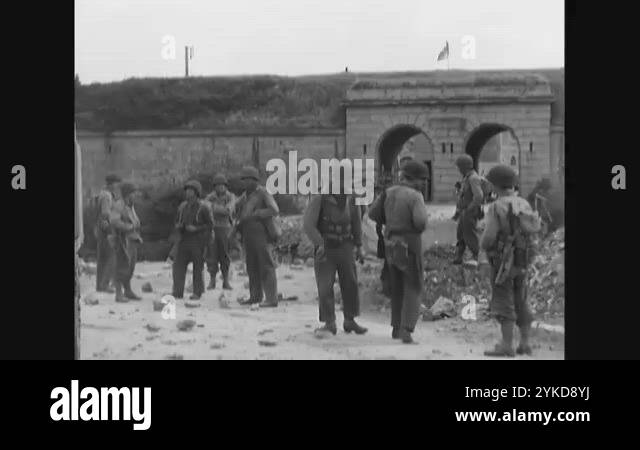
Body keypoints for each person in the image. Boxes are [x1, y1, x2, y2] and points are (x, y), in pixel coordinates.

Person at [479, 165, 541, 357]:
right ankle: (525, 343)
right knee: (521, 299)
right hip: (523, 259)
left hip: (502, 260)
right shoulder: (524, 203)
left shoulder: (497, 206)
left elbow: (489, 237)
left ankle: (506, 345)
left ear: (493, 185)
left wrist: (482, 249)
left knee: (503, 299)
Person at [368, 161, 429, 344]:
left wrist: (390, 219)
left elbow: (372, 214)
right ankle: (406, 329)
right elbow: (420, 222)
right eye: (423, 180)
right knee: (413, 286)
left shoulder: (389, 192)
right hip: (410, 243)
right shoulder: (415, 196)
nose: (425, 183)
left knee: (397, 287)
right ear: (416, 179)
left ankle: (396, 327)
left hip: (390, 243)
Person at [303, 169, 367, 336]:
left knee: (350, 283)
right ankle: (329, 322)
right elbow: (309, 225)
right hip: (326, 247)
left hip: (345, 245)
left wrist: (359, 246)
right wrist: (320, 243)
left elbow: (357, 223)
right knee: (325, 286)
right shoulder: (320, 198)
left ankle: (350, 320)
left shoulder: (352, 198)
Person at [235, 167, 279, 308]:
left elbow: (274, 210)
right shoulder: (244, 197)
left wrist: (258, 213)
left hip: (261, 232)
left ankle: (271, 299)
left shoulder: (262, 193)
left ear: (255, 180)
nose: (246, 182)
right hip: (248, 233)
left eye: (249, 179)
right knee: (252, 266)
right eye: (244, 179)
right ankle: (255, 296)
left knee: (266, 265)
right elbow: (238, 212)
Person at [172, 180, 213, 300]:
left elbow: (210, 225)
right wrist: (179, 226)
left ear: (196, 193)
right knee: (178, 266)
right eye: (187, 190)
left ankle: (197, 292)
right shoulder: (182, 206)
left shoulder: (203, 208)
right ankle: (177, 291)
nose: (188, 193)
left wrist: (196, 228)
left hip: (197, 241)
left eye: (191, 191)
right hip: (183, 239)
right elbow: (176, 221)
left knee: (197, 268)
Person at [110, 182, 143, 303]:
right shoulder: (119, 205)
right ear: (128, 194)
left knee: (130, 267)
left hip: (132, 240)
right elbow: (114, 221)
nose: (135, 195)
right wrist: (128, 226)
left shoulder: (130, 205)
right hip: (122, 240)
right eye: (133, 193)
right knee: (121, 266)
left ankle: (128, 291)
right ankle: (118, 294)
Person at [205, 173, 236, 290]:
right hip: (213, 228)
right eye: (218, 185)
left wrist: (213, 207)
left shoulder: (230, 196)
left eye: (222, 185)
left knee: (225, 255)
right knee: (211, 255)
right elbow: (205, 207)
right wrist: (218, 208)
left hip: (225, 229)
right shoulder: (210, 197)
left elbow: (228, 210)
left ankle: (226, 280)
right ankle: (212, 280)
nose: (220, 187)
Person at [453, 154, 483, 265]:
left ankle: (476, 256)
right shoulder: (466, 178)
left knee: (470, 234)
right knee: (460, 234)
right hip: (463, 211)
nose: (458, 169)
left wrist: (469, 208)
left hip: (469, 212)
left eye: (459, 166)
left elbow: (479, 196)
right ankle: (459, 256)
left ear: (464, 166)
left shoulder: (473, 178)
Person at [94, 174, 121, 293]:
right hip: (106, 228)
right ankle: (104, 284)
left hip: (101, 228)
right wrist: (111, 228)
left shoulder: (103, 194)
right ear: (111, 183)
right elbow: (105, 214)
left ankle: (100, 285)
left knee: (102, 258)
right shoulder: (106, 196)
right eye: (116, 183)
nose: (117, 185)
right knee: (110, 257)